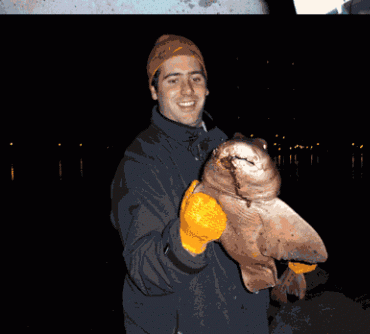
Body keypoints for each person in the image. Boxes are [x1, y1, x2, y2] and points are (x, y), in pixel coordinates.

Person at [110, 35, 313, 332]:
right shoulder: (139, 164)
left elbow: (254, 225)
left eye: (195, 78)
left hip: (245, 318)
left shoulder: (226, 147)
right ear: (154, 91)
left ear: (207, 86)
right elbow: (143, 272)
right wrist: (186, 241)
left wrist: (294, 246)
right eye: (172, 80)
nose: (187, 90)